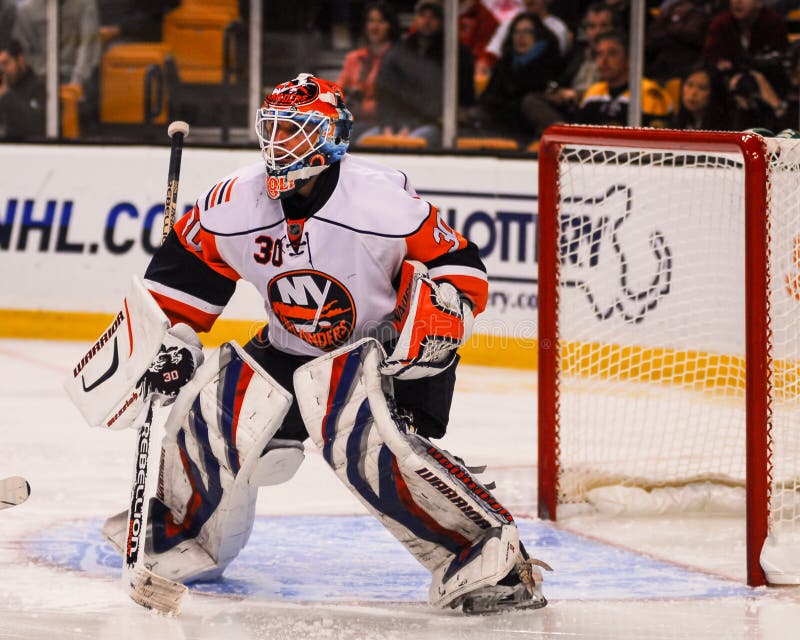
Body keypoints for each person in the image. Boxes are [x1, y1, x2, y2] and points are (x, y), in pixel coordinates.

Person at [66, 73, 550, 614]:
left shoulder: (381, 201)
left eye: (295, 130)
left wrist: (443, 317)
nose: (280, 143)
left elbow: (461, 267)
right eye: (273, 128)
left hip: (385, 357)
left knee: (365, 443)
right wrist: (172, 341)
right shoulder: (233, 204)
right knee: (212, 411)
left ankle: (489, 558)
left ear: (331, 136)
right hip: (291, 350)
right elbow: (180, 284)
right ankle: (184, 533)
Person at [373, 0, 475, 147]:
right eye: (423, 15)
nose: (427, 21)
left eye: (433, 17)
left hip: (438, 124)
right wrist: (387, 124)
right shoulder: (400, 50)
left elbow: (442, 101)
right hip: (397, 122)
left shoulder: (456, 53)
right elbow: (385, 91)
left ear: (442, 21)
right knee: (364, 139)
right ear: (416, 19)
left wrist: (411, 125)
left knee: (413, 142)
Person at [469, 12, 563, 141]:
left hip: (534, 128)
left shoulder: (552, 62)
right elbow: (488, 98)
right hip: (504, 127)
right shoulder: (505, 63)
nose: (520, 37)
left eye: (527, 32)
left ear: (538, 34)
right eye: (516, 32)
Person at [12, 0, 101, 130]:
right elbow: (27, 51)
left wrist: (76, 82)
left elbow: (88, 47)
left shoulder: (85, 4)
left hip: (79, 77)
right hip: (41, 77)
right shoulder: (26, 11)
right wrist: (46, 76)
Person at [575, 30, 673, 127]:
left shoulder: (650, 94)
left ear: (629, 58)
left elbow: (657, 140)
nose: (603, 61)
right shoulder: (593, 93)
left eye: (612, 53)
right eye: (599, 54)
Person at [337, 1, 401, 142]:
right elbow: (339, 93)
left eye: (381, 21)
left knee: (359, 141)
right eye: (371, 21)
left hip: (385, 124)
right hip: (353, 119)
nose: (375, 27)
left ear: (391, 25)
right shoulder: (354, 58)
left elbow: (394, 102)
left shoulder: (397, 59)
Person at [645, 0, 711, 84]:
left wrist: (668, 30)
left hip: (683, 62)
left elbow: (690, 33)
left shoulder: (699, 12)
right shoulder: (670, 8)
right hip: (659, 60)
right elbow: (653, 32)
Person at [0, 38, 45, 140]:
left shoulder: (39, 87)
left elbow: (38, 128)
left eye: (5, 63)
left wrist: (6, 96)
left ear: (20, 60)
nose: (2, 70)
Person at [672, 63, 733, 130]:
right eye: (689, 85)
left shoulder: (726, 127)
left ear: (714, 93)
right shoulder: (678, 122)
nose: (693, 93)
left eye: (702, 88)